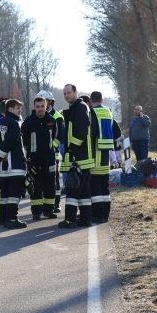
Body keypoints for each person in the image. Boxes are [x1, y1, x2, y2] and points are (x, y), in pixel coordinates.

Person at [58, 85, 94, 228]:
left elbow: (81, 131)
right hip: (82, 157)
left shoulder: (79, 107)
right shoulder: (77, 108)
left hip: (78, 157)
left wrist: (72, 149)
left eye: (69, 92)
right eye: (64, 93)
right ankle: (85, 219)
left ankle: (70, 220)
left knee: (73, 189)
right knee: (84, 190)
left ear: (75, 92)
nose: (66, 95)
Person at [0, 99, 28, 229]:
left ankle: (4, 218)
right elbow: (10, 141)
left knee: (4, 194)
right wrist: (0, 157)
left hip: (0, 169)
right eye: (18, 108)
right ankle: (12, 219)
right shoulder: (14, 123)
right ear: (10, 109)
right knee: (14, 195)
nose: (20, 111)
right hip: (15, 165)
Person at [21, 96, 59, 220]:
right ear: (34, 107)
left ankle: (48, 211)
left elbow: (55, 137)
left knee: (50, 186)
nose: (40, 109)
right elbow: (24, 141)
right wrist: (29, 157)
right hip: (34, 160)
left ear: (46, 105)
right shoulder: (28, 122)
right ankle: (36, 212)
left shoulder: (52, 120)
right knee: (36, 186)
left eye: (42, 106)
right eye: (38, 107)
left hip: (49, 159)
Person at [88, 91, 121, 224]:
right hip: (106, 154)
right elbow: (117, 132)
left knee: (95, 187)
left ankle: (98, 216)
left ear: (91, 101)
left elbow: (92, 133)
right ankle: (105, 216)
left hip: (95, 153)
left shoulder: (92, 112)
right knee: (105, 187)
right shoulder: (108, 112)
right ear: (102, 99)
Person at [37, 90, 65, 215]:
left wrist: (50, 147)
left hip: (53, 154)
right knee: (42, 180)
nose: (44, 103)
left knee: (55, 180)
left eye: (46, 101)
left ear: (50, 102)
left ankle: (56, 203)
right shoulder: (38, 116)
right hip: (40, 155)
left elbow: (60, 136)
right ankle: (45, 204)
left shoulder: (57, 117)